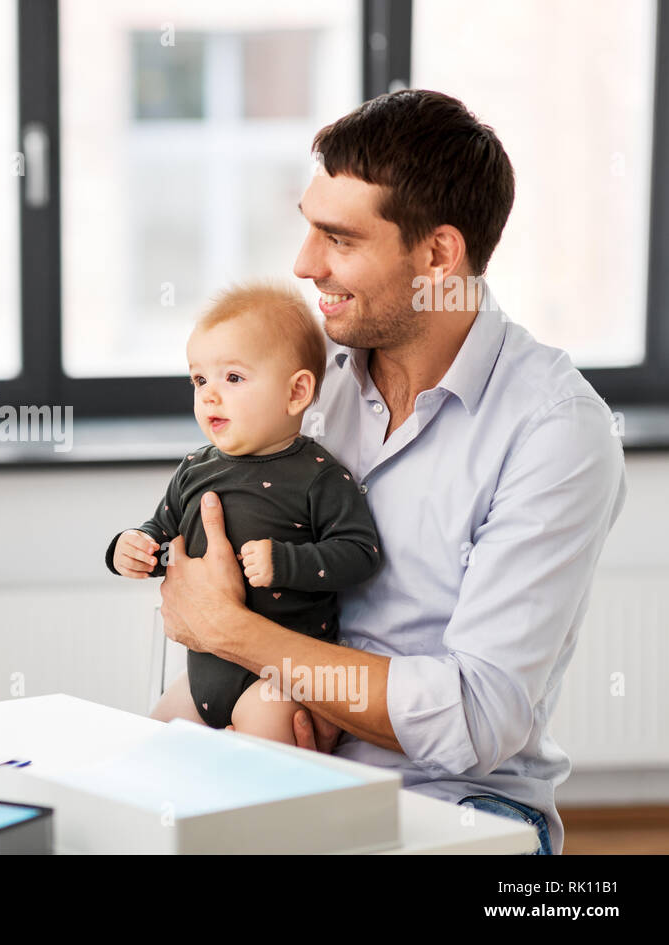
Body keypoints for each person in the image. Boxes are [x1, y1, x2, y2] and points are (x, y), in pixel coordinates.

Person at [157, 91, 626, 855]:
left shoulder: (555, 431)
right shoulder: (308, 383)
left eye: (338, 238)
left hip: (458, 809)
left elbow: (473, 716)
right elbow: (199, 567)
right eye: (308, 226)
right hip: (271, 758)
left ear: (439, 255)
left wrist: (240, 638)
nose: (305, 264)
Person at [107, 284, 381, 740]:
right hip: (202, 678)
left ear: (296, 393)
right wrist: (132, 548)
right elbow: (163, 532)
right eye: (199, 380)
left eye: (232, 378)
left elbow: (359, 553)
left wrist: (285, 563)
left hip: (276, 679)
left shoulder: (319, 476)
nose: (210, 395)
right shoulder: (195, 468)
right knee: (149, 743)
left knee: (262, 770)